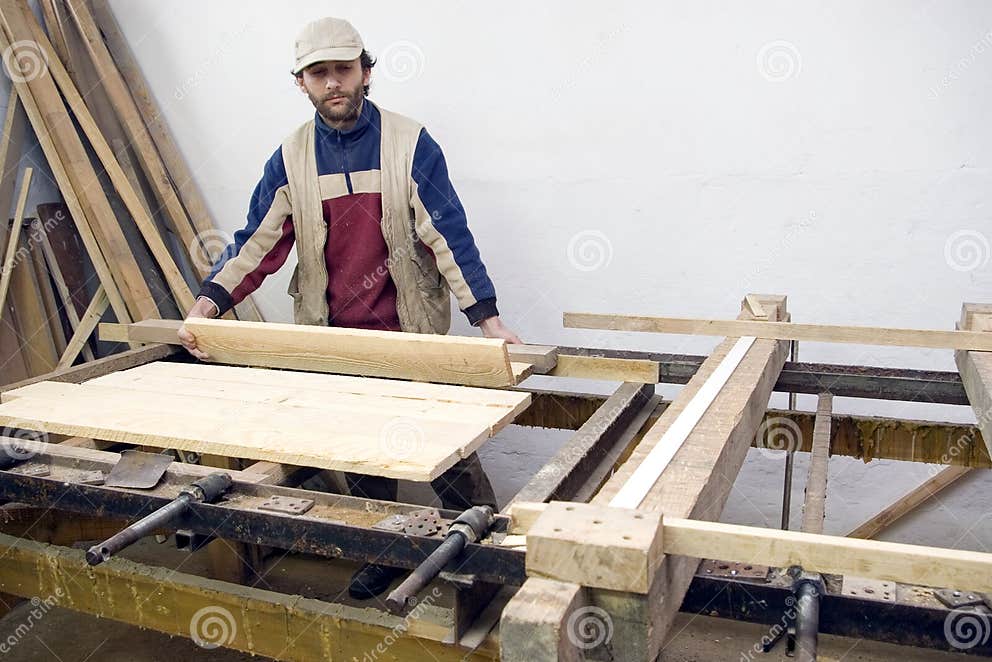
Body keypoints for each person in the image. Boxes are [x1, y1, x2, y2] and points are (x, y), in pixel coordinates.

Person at [177, 16, 521, 599]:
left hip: (410, 333)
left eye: (343, 69)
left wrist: (487, 319)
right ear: (301, 83)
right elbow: (258, 240)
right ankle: (385, 552)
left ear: (366, 71)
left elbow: (448, 233)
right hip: (336, 335)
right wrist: (206, 305)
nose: (333, 83)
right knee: (364, 454)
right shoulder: (291, 157)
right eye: (319, 73)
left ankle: (484, 554)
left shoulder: (410, 143)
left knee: (446, 447)